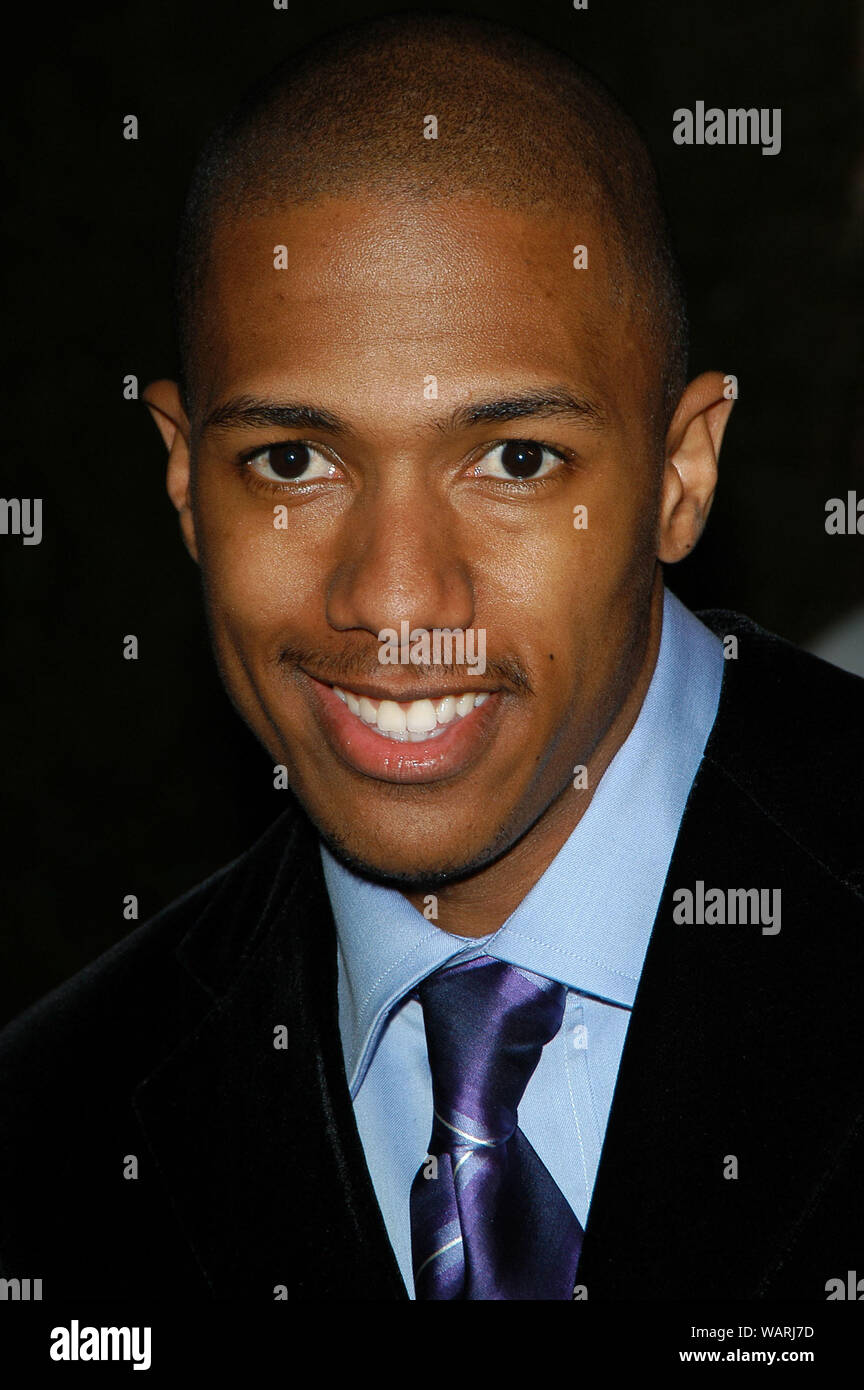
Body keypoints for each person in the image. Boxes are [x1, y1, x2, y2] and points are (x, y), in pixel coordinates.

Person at [0, 11, 861, 1302]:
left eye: (516, 460)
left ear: (684, 472)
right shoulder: (47, 1137)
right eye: (293, 461)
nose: (395, 596)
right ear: (183, 479)